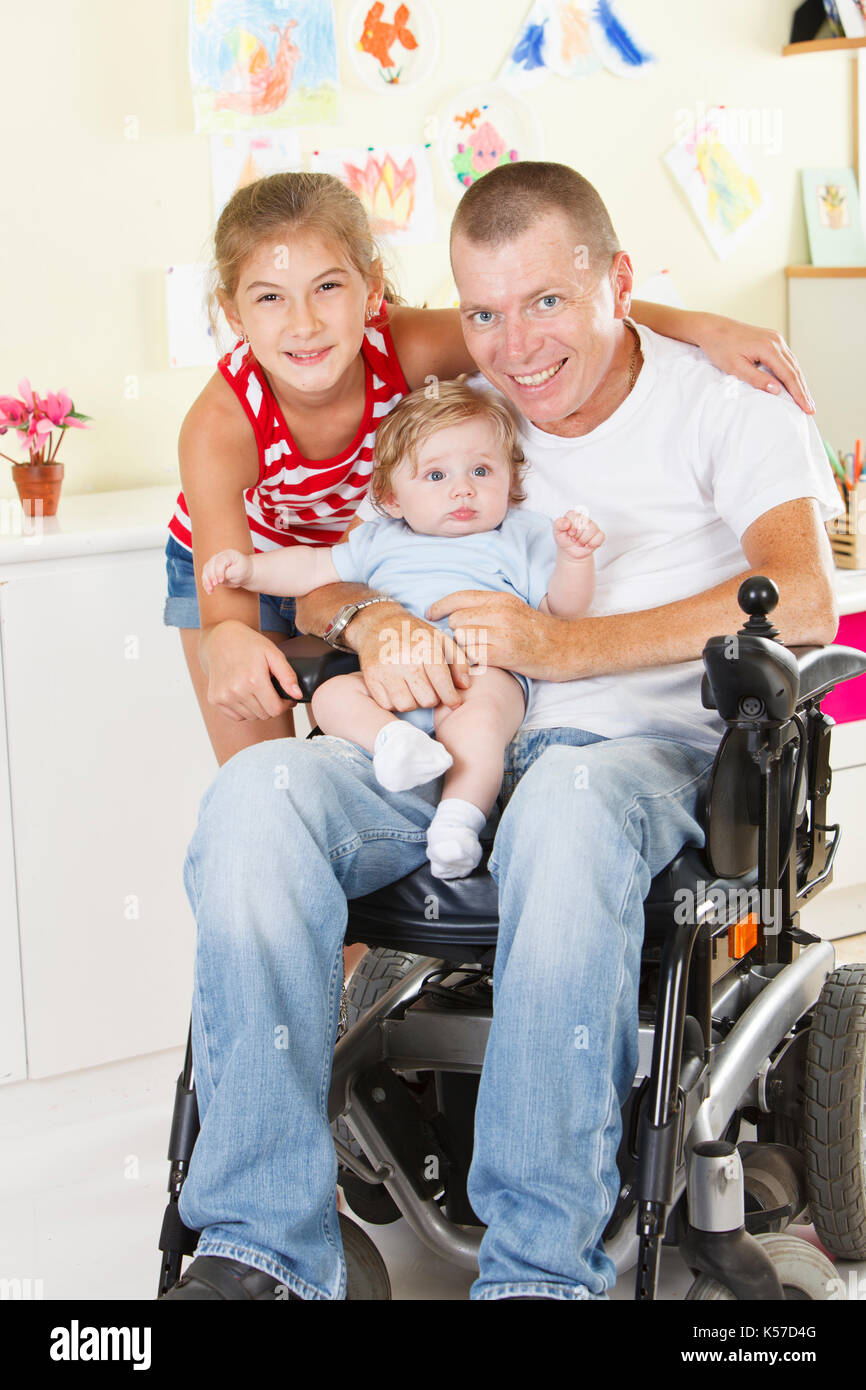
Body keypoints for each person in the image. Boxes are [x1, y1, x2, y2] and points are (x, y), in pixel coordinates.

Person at [163, 161, 840, 1301]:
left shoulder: (725, 401)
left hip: (625, 762)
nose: (513, 346)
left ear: (614, 283)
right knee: (254, 796)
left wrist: (559, 647)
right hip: (442, 742)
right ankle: (257, 1250)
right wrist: (374, 621)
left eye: (544, 304)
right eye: (481, 312)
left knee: (565, 808)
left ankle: (537, 1273)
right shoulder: (460, 420)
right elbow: (345, 570)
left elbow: (803, 598)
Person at [200, 380, 604, 879]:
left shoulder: (520, 535)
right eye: (435, 475)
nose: (462, 488)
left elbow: (562, 609)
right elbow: (310, 569)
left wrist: (574, 559)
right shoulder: (378, 539)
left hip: (476, 673)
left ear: (510, 481)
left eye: (481, 470)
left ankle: (458, 821)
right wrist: (249, 570)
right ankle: (394, 742)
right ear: (392, 498)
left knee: (480, 728)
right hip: (388, 679)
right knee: (331, 696)